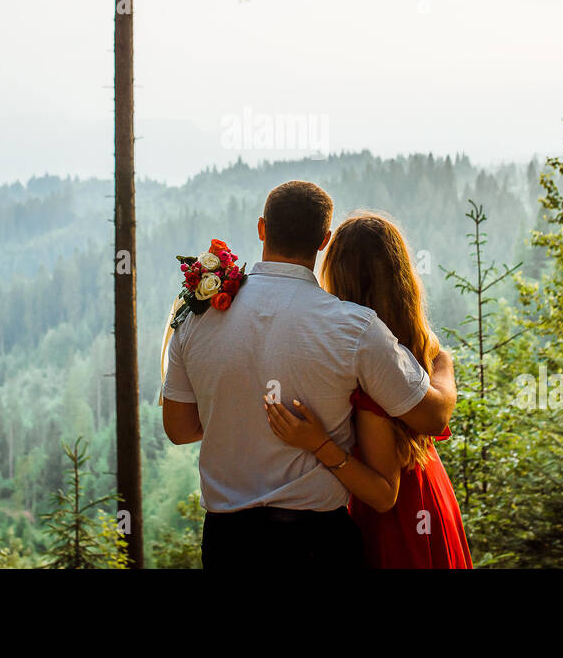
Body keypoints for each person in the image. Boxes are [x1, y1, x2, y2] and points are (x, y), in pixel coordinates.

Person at [160, 180, 457, 569]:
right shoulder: (356, 328)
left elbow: (180, 429)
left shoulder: (199, 316)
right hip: (316, 543)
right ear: (324, 241)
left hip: (229, 543)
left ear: (262, 228)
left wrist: (240, 412)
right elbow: (433, 417)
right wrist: (443, 363)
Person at [265, 211, 472, 568]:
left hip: (388, 518)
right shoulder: (414, 347)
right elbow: (436, 414)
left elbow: (383, 494)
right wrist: (442, 361)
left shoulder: (362, 360)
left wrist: (320, 444)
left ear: (337, 273)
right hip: (429, 493)